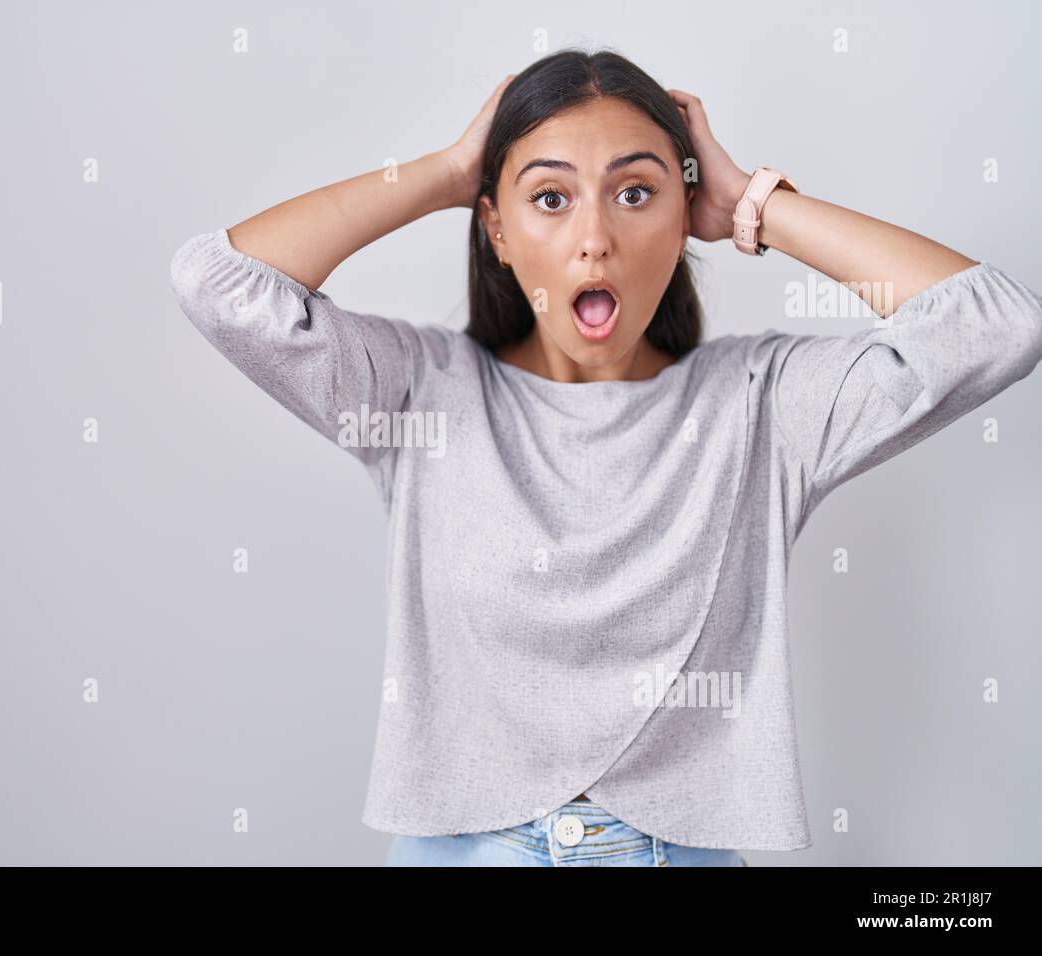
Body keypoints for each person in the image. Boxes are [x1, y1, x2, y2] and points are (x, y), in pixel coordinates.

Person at [169, 49, 1042, 866]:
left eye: (636, 194)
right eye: (549, 198)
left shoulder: (763, 406)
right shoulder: (417, 394)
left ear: (684, 221)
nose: (595, 239)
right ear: (497, 231)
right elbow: (219, 284)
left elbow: (994, 327)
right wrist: (444, 174)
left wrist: (753, 203)